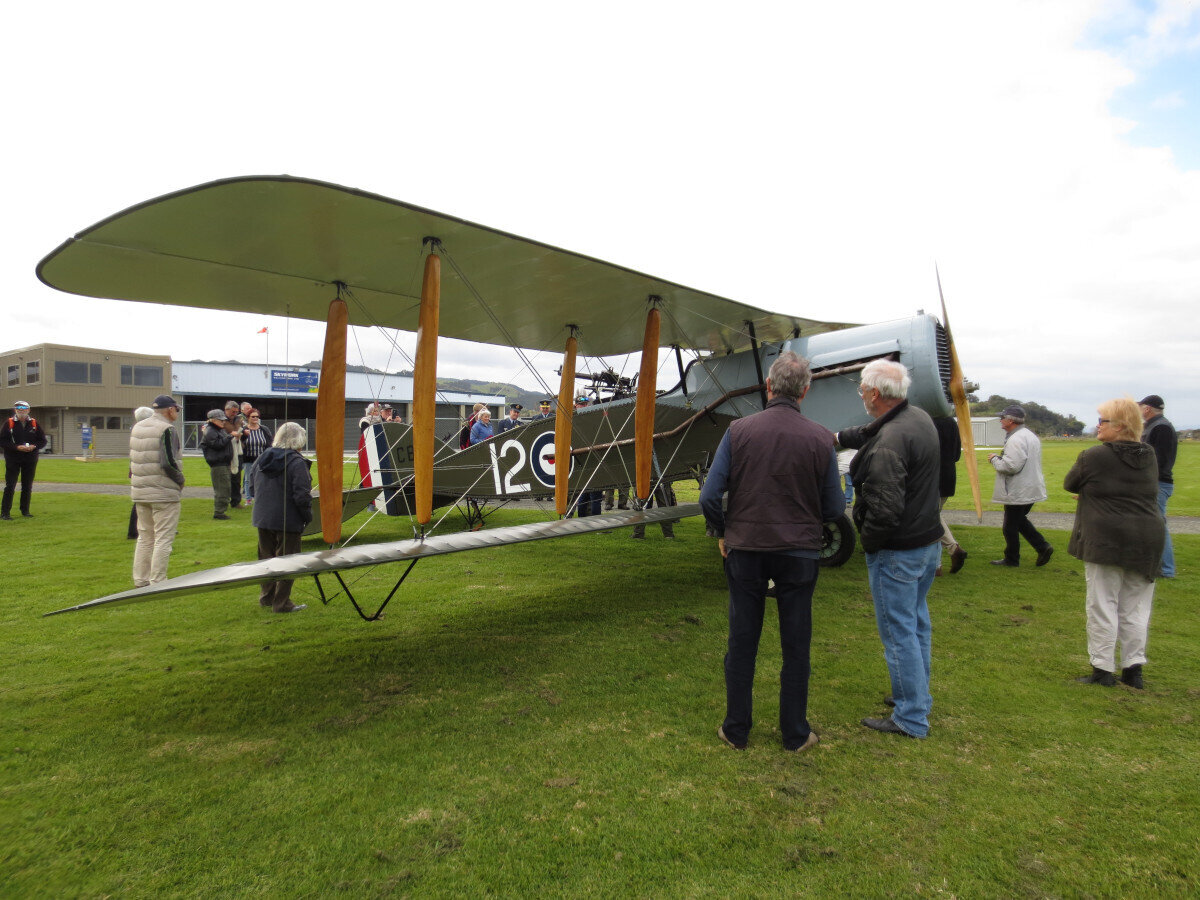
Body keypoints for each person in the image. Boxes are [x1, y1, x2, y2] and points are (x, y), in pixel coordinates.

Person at [700, 351, 843, 753]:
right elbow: (834, 509)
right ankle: (795, 734)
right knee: (796, 644)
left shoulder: (739, 430)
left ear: (768, 386)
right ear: (806, 390)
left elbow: (710, 495)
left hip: (746, 549)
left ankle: (736, 729)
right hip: (799, 552)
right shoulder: (820, 437)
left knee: (742, 640)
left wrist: (723, 531)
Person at [837, 359, 942, 739]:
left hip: (898, 550)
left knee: (899, 632)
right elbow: (868, 431)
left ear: (875, 394)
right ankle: (913, 695)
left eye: (863, 390)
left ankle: (911, 716)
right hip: (927, 543)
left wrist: (869, 545)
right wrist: (833, 438)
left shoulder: (890, 443)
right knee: (916, 624)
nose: (861, 396)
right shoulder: (916, 418)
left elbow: (884, 509)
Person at [1065, 398, 1164, 689]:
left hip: (1106, 538)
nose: (1098, 425)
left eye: (1103, 421)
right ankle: (1133, 670)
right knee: (1136, 608)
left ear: (1120, 426)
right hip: (1148, 538)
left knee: (1102, 604)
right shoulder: (1149, 455)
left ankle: (1102, 669)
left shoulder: (1094, 456)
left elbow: (1071, 483)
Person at [250, 422, 312, 613]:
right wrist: (307, 516)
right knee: (288, 561)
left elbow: (251, 485)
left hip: (263, 517)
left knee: (267, 559)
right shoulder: (296, 462)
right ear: (299, 440)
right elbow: (302, 494)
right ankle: (281, 603)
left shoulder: (262, 458)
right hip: (287, 518)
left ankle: (267, 597)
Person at [130, 395, 185, 586]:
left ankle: (140, 579)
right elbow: (168, 462)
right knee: (163, 538)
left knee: (145, 536)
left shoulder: (138, 427)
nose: (177, 413)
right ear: (170, 410)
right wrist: (180, 480)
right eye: (176, 409)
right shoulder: (167, 429)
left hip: (140, 491)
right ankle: (158, 580)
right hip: (163, 492)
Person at [987, 405, 1052, 567]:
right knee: (1018, 521)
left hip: (1019, 488)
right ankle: (1041, 547)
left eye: (1002, 417)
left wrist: (994, 459)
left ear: (1010, 421)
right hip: (1030, 485)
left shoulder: (1016, 439)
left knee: (1010, 526)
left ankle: (1013, 558)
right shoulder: (1029, 435)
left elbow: (1010, 467)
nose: (1000, 420)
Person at [1138, 395, 1176, 579]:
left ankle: (1167, 569)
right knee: (1152, 523)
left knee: (1158, 525)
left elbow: (1158, 460)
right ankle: (1154, 564)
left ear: (1147, 409)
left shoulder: (1160, 426)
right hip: (1155, 481)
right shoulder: (1155, 425)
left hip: (1158, 483)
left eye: (1141, 406)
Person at [1, 400, 47, 520]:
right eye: (19, 409)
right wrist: (16, 447)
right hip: (13, 459)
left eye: (24, 409)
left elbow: (42, 441)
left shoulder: (34, 424)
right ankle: (5, 513)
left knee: (27, 485)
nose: (21, 411)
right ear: (15, 410)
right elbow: (3, 441)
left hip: (30, 459)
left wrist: (34, 446)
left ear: (28, 410)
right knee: (10, 485)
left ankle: (25, 511)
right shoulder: (9, 423)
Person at [933, 417, 968, 575]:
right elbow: (956, 455)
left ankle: (938, 563)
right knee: (933, 516)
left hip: (932, 475)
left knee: (929, 518)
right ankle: (940, 561)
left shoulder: (929, 421)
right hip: (948, 474)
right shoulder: (952, 423)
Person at [200, 409, 234, 519]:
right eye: (221, 420)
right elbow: (217, 445)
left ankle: (221, 510)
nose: (223, 422)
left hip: (223, 463)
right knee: (223, 488)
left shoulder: (217, 430)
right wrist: (229, 437)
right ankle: (219, 512)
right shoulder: (210, 431)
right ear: (213, 420)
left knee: (225, 487)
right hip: (218, 464)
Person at [127, 406, 155, 538]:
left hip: (138, 468)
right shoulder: (144, 431)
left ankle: (138, 530)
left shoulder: (136, 430)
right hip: (144, 469)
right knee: (145, 501)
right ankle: (135, 531)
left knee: (143, 501)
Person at [240, 409, 273, 504]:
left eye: (257, 416)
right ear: (248, 418)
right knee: (248, 479)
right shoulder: (244, 429)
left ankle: (260, 498)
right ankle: (248, 499)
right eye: (253, 416)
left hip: (262, 458)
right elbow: (240, 442)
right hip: (248, 459)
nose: (255, 418)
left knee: (262, 478)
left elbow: (269, 442)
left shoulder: (264, 429)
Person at [224, 400, 247, 508]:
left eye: (236, 412)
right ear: (226, 410)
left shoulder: (239, 419)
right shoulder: (220, 420)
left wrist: (244, 433)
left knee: (236, 478)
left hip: (238, 451)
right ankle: (223, 501)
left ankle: (235, 501)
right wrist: (229, 434)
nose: (234, 414)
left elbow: (244, 429)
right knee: (225, 478)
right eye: (233, 412)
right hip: (226, 450)